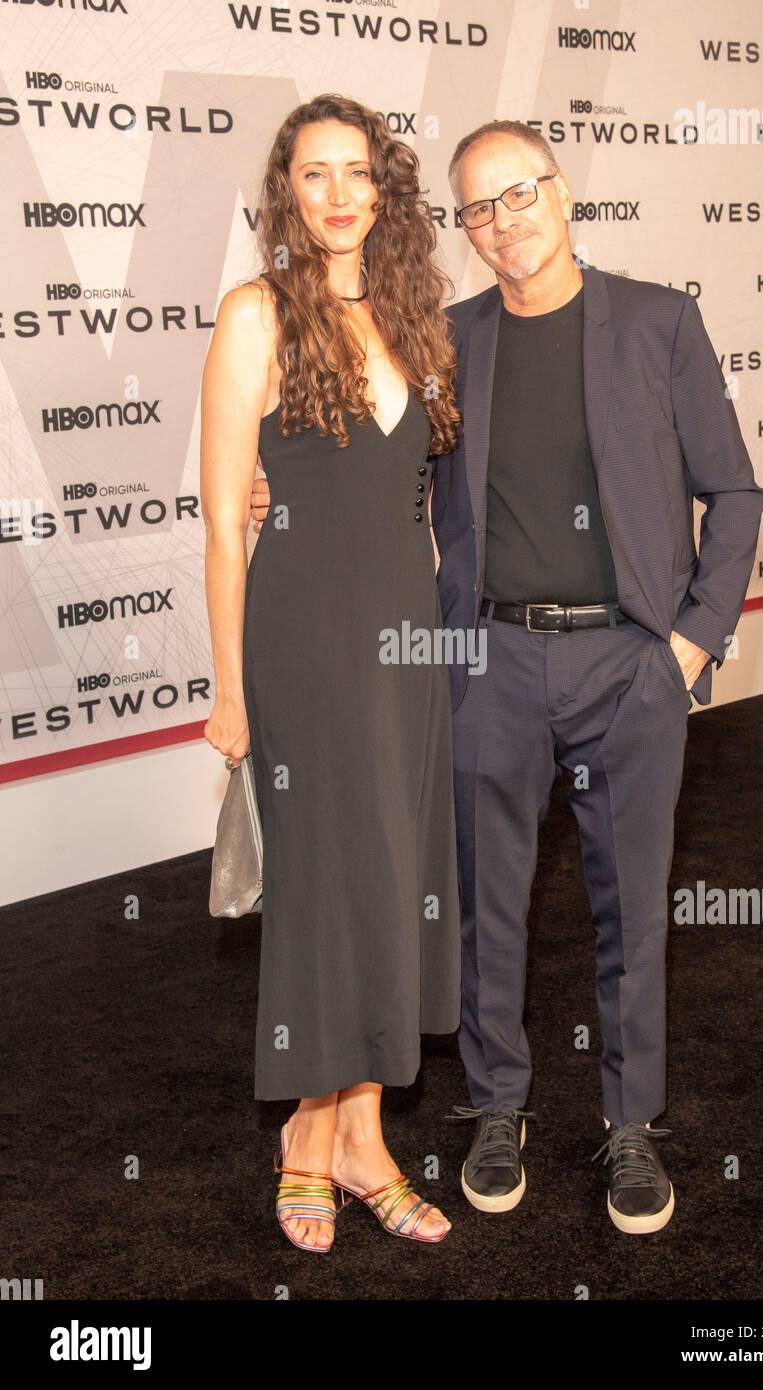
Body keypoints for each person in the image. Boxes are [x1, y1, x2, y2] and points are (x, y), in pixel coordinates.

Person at [251, 119, 763, 1236]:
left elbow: (733, 494)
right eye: (476, 208)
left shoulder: (657, 321)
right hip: (485, 662)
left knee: (631, 907)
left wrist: (687, 644)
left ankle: (630, 1124)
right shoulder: (445, 338)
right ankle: (495, 1107)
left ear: (562, 190)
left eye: (518, 195)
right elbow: (370, 460)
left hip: (629, 663)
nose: (501, 223)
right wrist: (266, 488)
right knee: (484, 907)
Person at [200, 93, 462, 1253]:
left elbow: (419, 507)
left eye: (358, 172)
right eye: (315, 174)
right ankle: (309, 1135)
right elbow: (219, 522)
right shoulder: (254, 312)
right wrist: (229, 688)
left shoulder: (413, 312)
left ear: (383, 188)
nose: (339, 193)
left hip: (407, 639)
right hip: (303, 634)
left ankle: (364, 1133)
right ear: (286, 193)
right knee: (320, 885)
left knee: (395, 873)